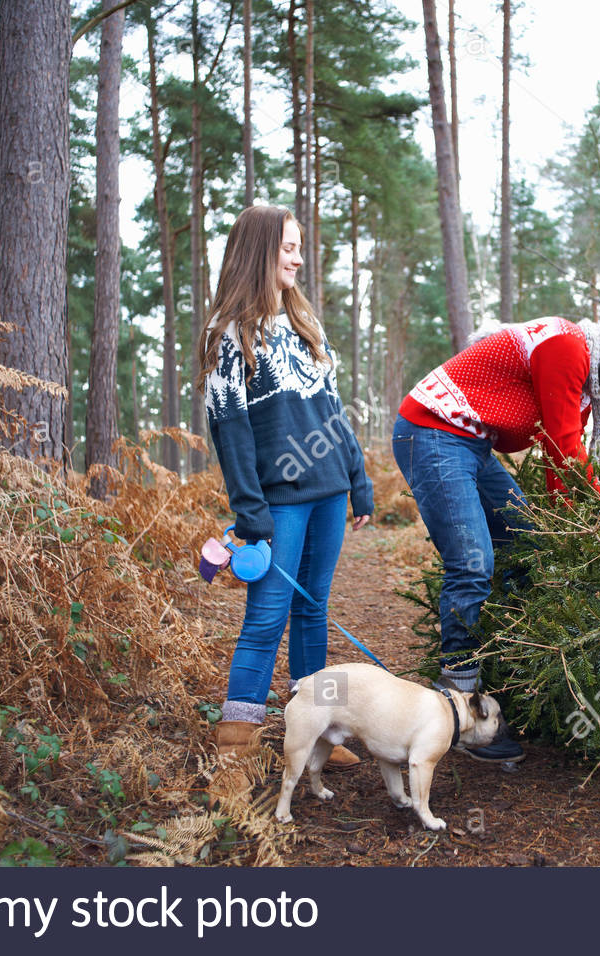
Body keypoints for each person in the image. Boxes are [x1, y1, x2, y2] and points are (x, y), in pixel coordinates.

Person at [392, 313, 600, 762]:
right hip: (433, 431)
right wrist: (596, 525)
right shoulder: (568, 347)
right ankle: (459, 711)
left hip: (471, 442)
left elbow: (566, 456)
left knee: (528, 542)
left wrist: (572, 533)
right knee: (472, 562)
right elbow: (562, 451)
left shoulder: (586, 383)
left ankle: (511, 675)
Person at [197, 204, 373, 769]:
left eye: (299, 247)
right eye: (288, 247)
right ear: (259, 251)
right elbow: (231, 428)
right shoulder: (228, 333)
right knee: (267, 616)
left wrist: (358, 480)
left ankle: (316, 734)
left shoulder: (306, 324)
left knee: (314, 609)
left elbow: (333, 410)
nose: (298, 257)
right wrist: (250, 511)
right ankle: (237, 738)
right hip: (278, 502)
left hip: (328, 492)